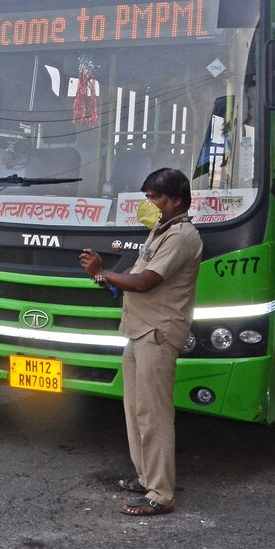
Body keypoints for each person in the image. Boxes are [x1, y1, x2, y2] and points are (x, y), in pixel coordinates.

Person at [79, 167, 202, 517]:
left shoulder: (182, 236)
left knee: (155, 415)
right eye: (148, 197)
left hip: (158, 333)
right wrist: (108, 281)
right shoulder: (160, 232)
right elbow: (132, 279)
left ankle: (161, 494)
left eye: (157, 198)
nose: (151, 204)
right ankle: (146, 477)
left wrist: (102, 273)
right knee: (135, 411)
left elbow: (146, 281)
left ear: (177, 200)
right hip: (138, 329)